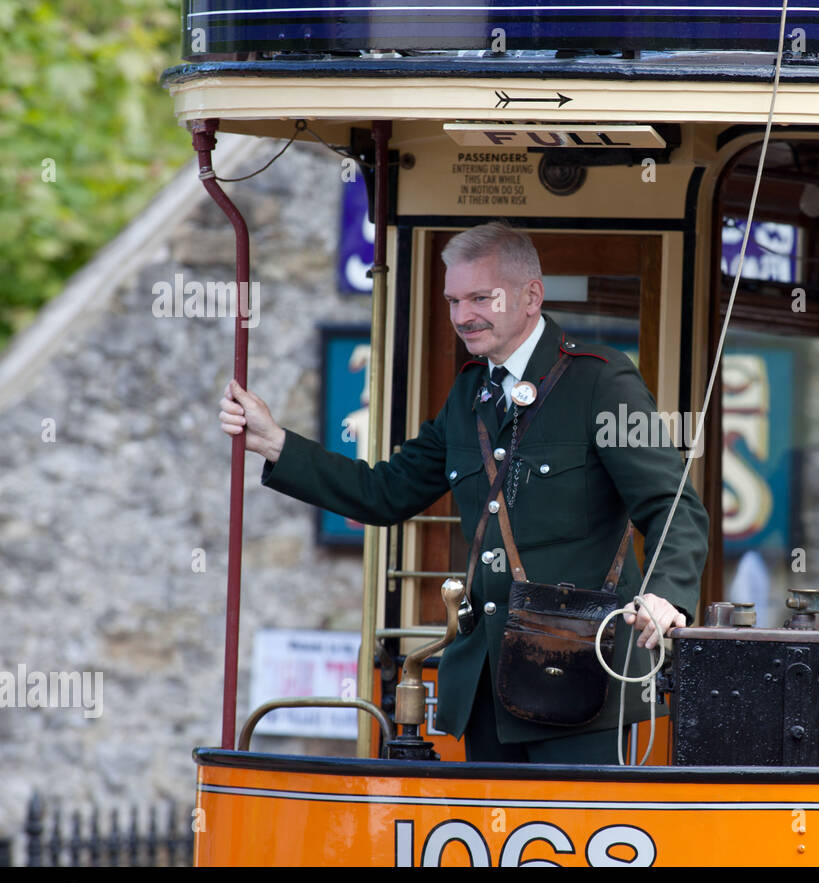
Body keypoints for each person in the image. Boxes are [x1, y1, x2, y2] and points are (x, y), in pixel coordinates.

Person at [219, 221, 709, 763]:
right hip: (488, 690)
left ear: (531, 296)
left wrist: (666, 594)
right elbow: (384, 493)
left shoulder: (601, 381)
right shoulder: (471, 391)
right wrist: (277, 444)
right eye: (454, 300)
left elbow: (672, 502)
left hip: (580, 681)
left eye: (480, 297)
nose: (461, 315)